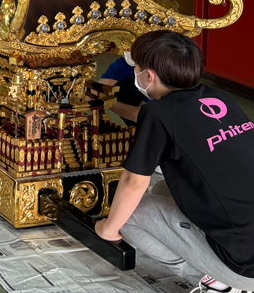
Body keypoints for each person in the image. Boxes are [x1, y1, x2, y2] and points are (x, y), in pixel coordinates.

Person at [94, 31, 254, 293]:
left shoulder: (159, 112)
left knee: (129, 214)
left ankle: (217, 282)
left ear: (150, 76)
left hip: (246, 268)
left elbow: (134, 182)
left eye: (137, 68)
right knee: (161, 190)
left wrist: (108, 229)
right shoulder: (218, 97)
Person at [98, 55, 145, 126]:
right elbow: (97, 90)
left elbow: (142, 115)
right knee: (118, 87)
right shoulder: (125, 62)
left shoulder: (160, 69)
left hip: (162, 118)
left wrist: (106, 102)